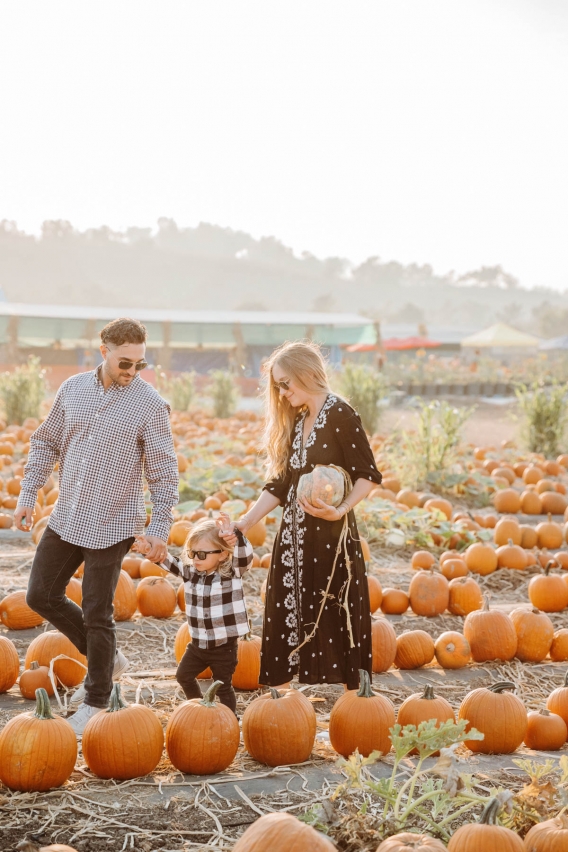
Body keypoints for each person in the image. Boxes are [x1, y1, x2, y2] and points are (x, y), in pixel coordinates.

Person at [15, 317, 179, 734]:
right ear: (103, 350)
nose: (132, 372)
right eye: (125, 362)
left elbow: (164, 472)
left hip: (114, 522)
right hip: (68, 513)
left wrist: (160, 527)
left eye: (140, 364)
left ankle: (96, 699)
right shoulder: (72, 389)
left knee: (97, 612)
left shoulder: (149, 404)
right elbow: (46, 441)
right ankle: (106, 658)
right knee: (40, 595)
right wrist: (27, 493)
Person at [235, 341, 382, 690]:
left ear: (307, 373)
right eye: (277, 386)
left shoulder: (341, 414)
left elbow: (368, 475)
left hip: (331, 536)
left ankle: (354, 702)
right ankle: (286, 702)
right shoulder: (298, 420)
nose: (282, 392)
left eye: (286, 383)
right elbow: (281, 485)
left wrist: (341, 511)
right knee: (287, 608)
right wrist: (244, 523)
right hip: (293, 537)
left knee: (334, 610)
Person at [134, 512, 253, 714]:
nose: (195, 559)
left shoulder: (231, 573)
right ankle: (199, 711)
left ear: (223, 554)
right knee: (183, 676)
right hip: (198, 645)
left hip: (224, 647)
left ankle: (230, 720)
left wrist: (235, 535)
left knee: (223, 687)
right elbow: (169, 561)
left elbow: (245, 557)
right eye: (192, 553)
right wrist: (148, 550)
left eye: (202, 554)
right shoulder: (191, 573)